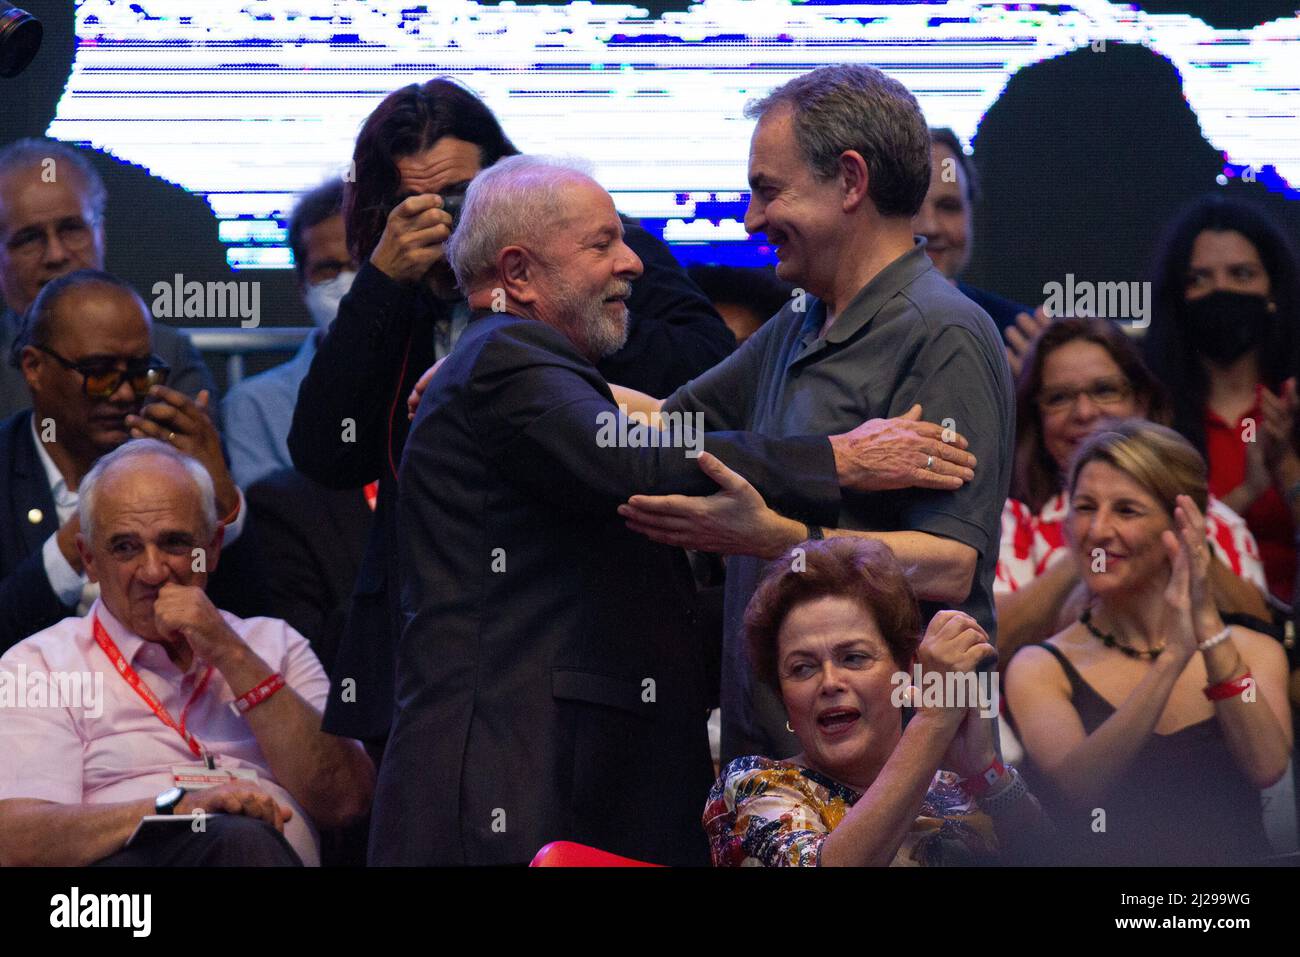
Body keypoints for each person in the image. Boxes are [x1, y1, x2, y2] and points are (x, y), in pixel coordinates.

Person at [371, 154, 974, 866]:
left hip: (551, 775)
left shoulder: (512, 363)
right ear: (518, 273)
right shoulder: (506, 354)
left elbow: (658, 432)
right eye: (602, 243)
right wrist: (839, 457)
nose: (632, 263)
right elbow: (633, 457)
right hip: (510, 786)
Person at [287, 78, 737, 753]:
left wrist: (553, 308)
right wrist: (380, 283)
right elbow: (325, 450)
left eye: (459, 198)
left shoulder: (600, 248)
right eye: (415, 204)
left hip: (594, 621)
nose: (441, 220)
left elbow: (708, 369)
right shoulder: (395, 297)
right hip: (430, 645)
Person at [609, 65, 1012, 764]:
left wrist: (781, 537)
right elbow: (672, 428)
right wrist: (514, 371)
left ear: (850, 181)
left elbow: (950, 565)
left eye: (768, 191)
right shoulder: (799, 319)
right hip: (774, 760)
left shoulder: (945, 330)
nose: (752, 219)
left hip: (894, 775)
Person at [0, 440, 375, 866]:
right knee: (239, 842)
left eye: (175, 543)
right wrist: (173, 809)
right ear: (89, 558)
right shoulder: (40, 665)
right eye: (125, 547)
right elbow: (17, 840)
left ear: (212, 548)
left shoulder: (275, 645)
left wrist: (231, 653)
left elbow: (348, 801)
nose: (154, 571)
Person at [1005, 420, 1292, 865]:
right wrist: (1172, 661)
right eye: (1084, 507)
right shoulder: (1039, 667)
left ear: (1182, 528)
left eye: (1126, 510)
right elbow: (1080, 789)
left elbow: (1268, 765)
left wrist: (1206, 630)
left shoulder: (1253, 649)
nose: (1098, 530)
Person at [706, 537, 1049, 866]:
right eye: (802, 667)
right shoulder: (755, 786)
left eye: (853, 658)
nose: (829, 683)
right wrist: (933, 721)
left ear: (906, 670)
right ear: (782, 694)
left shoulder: (956, 786)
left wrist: (985, 773)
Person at [0, 270, 247, 654]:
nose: (125, 394)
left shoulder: (179, 465)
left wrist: (222, 502)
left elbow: (250, 622)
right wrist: (97, 519)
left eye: (140, 372)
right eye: (98, 374)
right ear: (34, 367)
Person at [996, 317, 1271, 661]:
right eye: (1059, 398)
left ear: (1141, 401)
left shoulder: (1218, 521)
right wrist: (1092, 541)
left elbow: (1266, 643)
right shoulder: (1010, 521)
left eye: (1105, 390)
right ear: (1037, 417)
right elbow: (989, 647)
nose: (1084, 412)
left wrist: (1181, 535)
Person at [1143, 195, 1300, 602]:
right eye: (1199, 279)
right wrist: (1246, 494)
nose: (1221, 290)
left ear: (1273, 290)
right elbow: (1146, 552)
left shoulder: (1291, 404)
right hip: (1190, 635)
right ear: (1178, 297)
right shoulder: (1150, 416)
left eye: (1241, 274)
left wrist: (1287, 469)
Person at [0, 138, 215, 420]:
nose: (56, 254)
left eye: (71, 229)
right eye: (29, 239)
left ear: (100, 233)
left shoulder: (167, 354)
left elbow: (198, 461)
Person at [222, 179, 360, 489]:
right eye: (328, 269)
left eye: (359, 264)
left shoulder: (426, 377)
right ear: (301, 284)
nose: (347, 282)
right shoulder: (254, 406)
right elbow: (268, 520)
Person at [912, 127, 1033, 344]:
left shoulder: (1022, 342)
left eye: (948, 207)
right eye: (910, 207)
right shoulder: (832, 328)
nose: (930, 227)